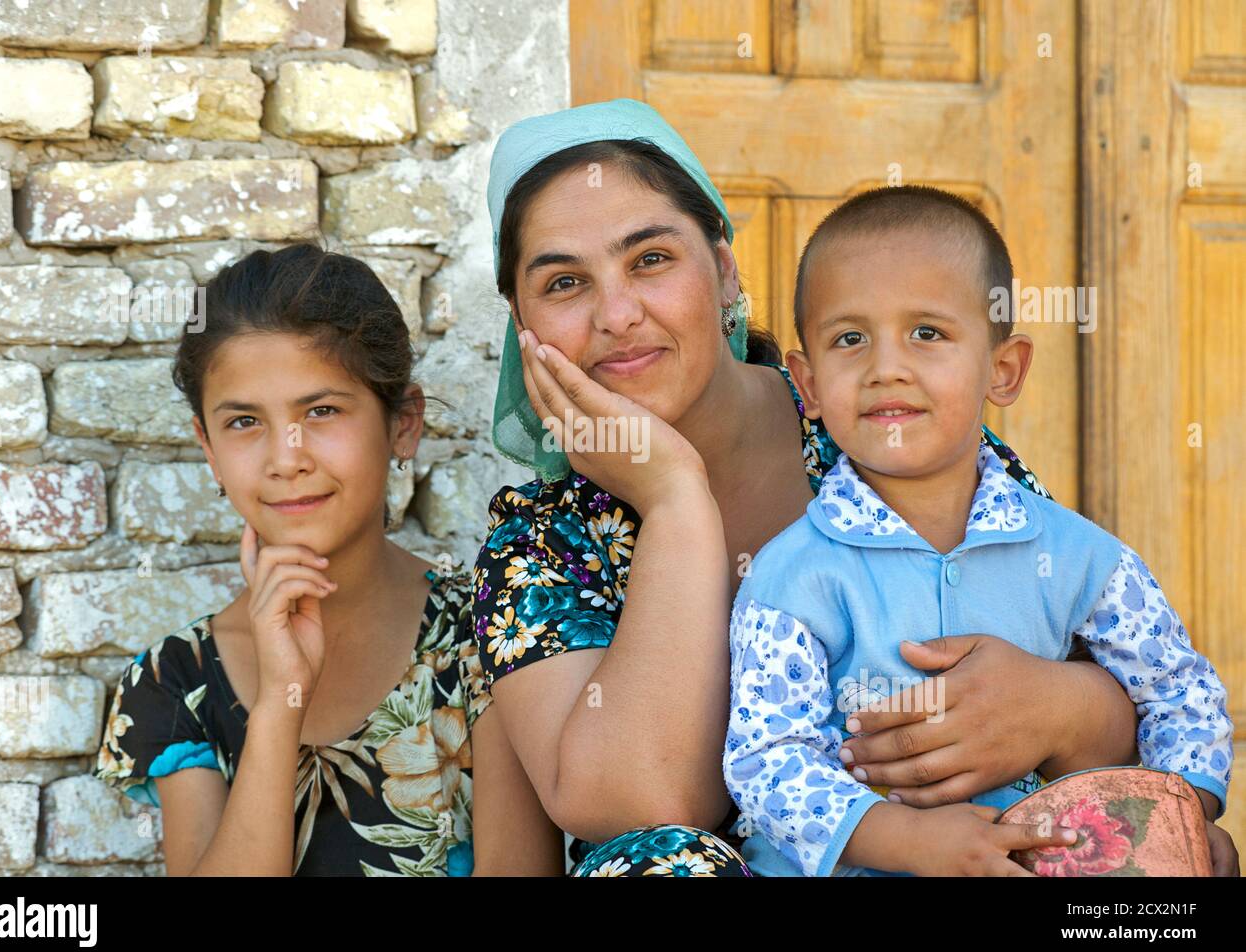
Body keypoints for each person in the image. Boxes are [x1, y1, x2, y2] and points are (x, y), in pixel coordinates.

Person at [470, 98, 1146, 877]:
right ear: (521, 322)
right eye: (563, 283)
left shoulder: (878, 426)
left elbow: (1134, 691)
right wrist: (674, 498)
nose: (617, 314)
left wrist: (1056, 706)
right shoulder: (539, 551)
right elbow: (648, 809)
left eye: (650, 260)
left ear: (723, 271)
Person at [724, 185, 1236, 876]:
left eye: (927, 333)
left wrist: (1180, 813)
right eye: (851, 339)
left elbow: (1180, 692)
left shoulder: (1083, 559)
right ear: (808, 384)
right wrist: (909, 840)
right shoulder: (792, 577)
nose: (886, 368)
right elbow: (766, 761)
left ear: (1004, 368)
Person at [93, 243, 564, 875]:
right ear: (207, 446)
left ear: (402, 423)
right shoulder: (176, 680)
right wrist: (282, 704)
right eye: (243, 422)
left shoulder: (491, 633)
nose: (286, 457)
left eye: (321, 411)